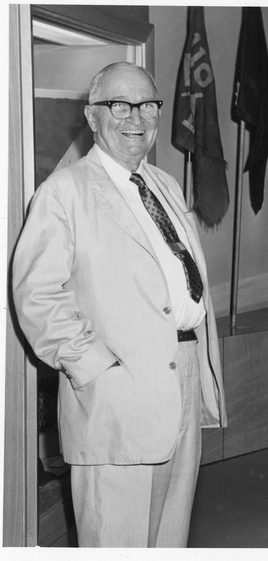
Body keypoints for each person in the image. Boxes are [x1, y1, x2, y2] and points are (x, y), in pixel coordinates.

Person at [12, 62, 226, 547]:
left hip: (182, 380)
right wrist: (97, 370)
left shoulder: (165, 185)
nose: (137, 118)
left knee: (169, 538)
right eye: (119, 105)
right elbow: (36, 295)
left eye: (148, 105)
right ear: (92, 117)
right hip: (115, 397)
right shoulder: (63, 192)